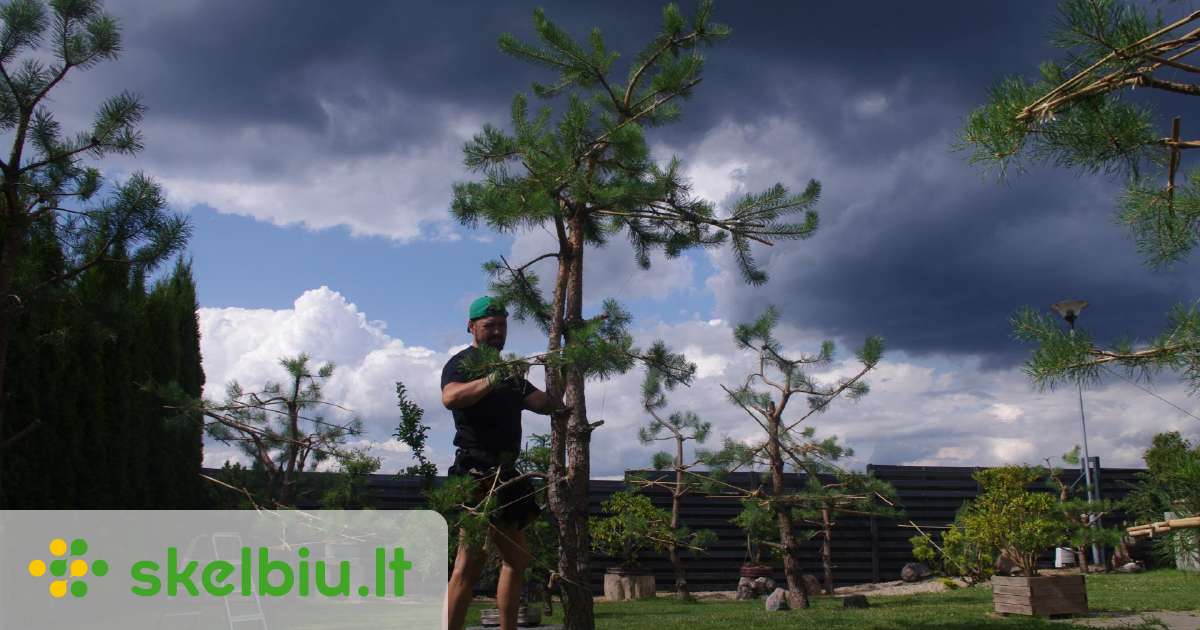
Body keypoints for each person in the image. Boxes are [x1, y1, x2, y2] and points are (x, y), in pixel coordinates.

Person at [442, 296, 562, 630]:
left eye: (502, 325)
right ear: (472, 327)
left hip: (508, 476)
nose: (497, 332)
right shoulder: (462, 363)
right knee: (469, 566)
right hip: (476, 473)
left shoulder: (511, 374)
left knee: (517, 559)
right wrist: (492, 380)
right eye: (489, 326)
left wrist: (566, 369)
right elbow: (451, 397)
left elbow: (544, 404)